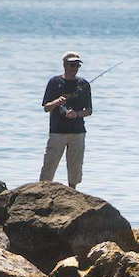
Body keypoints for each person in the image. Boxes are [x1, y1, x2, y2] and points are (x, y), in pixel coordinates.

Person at [39, 51, 93, 189]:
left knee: (75, 168)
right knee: (49, 165)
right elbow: (46, 108)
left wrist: (77, 114)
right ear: (64, 65)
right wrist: (57, 102)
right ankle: (42, 190)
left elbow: (89, 110)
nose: (74, 68)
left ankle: (72, 192)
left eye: (77, 65)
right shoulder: (54, 82)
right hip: (57, 132)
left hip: (77, 132)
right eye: (72, 65)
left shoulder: (84, 84)